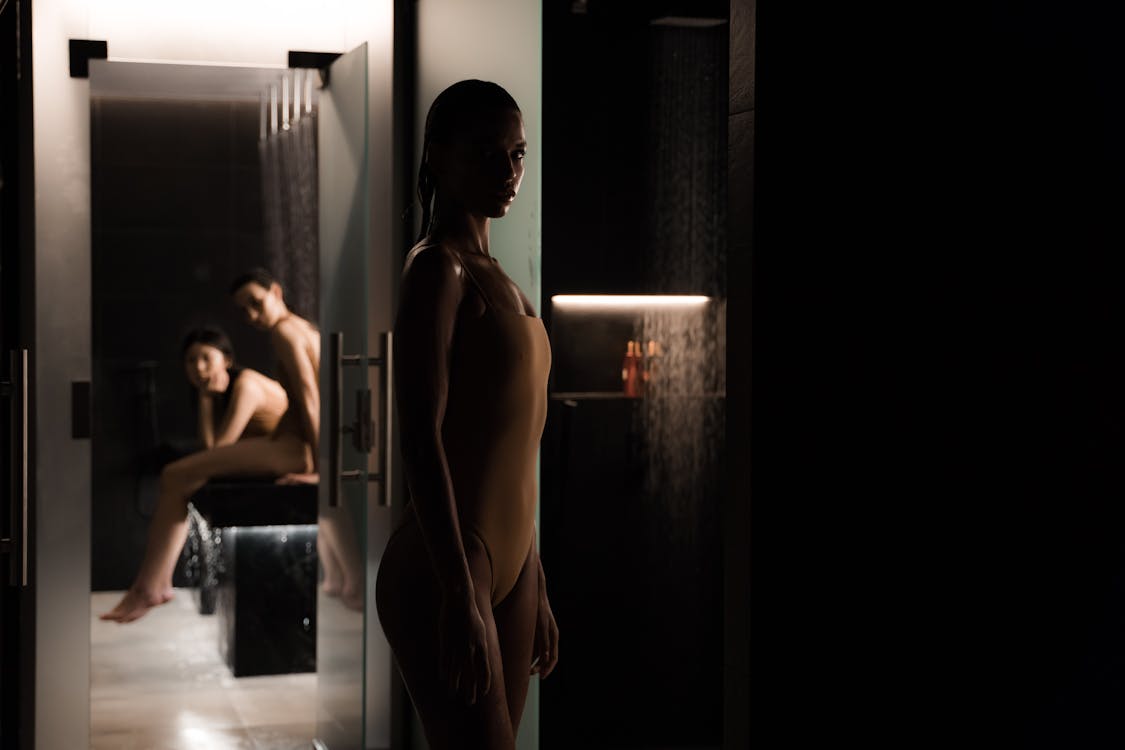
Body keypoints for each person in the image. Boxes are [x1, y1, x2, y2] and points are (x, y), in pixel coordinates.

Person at [375, 80, 559, 750]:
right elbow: (420, 434)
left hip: (506, 562)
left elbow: (514, 446)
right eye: (489, 154)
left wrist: (531, 577)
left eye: (517, 154)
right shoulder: (436, 269)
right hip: (446, 560)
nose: (509, 170)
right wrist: (459, 588)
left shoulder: (500, 277)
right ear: (438, 156)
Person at [101, 271, 335, 623]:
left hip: (296, 448)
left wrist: (322, 470)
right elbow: (215, 450)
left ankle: (151, 587)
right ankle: (152, 585)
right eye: (245, 311)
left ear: (276, 291)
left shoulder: (275, 346)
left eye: (256, 304)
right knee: (179, 475)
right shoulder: (300, 329)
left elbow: (312, 402)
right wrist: (207, 400)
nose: (253, 317)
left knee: (175, 474)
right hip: (290, 445)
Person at [181, 325, 288, 448]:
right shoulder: (215, 392)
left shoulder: (246, 386)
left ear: (227, 360)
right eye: (191, 360)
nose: (199, 367)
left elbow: (216, 451)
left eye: (206, 358)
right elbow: (208, 446)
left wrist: (205, 398)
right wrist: (205, 396)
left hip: (290, 450)